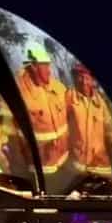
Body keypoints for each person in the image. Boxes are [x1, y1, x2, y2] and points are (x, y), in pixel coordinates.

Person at [15, 40, 68, 173]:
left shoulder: (59, 88)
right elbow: (10, 136)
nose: (49, 71)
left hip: (64, 161)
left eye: (48, 65)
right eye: (45, 66)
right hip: (40, 169)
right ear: (32, 66)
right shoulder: (18, 93)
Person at [66, 63, 112, 177]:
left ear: (93, 80)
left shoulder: (100, 103)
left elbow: (109, 131)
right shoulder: (68, 97)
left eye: (87, 78)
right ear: (74, 78)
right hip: (75, 167)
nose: (84, 81)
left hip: (99, 165)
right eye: (80, 77)